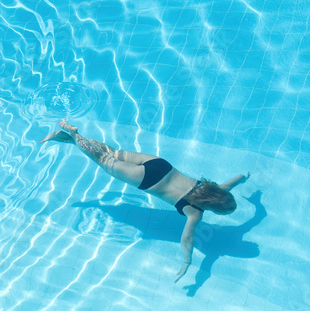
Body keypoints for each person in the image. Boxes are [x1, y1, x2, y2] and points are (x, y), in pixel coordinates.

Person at [40, 119, 250, 281]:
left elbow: (235, 180)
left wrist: (245, 178)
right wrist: (187, 262)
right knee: (104, 160)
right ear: (214, 209)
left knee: (111, 153)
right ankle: (74, 133)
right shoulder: (195, 212)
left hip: (160, 165)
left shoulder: (213, 188)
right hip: (147, 181)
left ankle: (69, 138)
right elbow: (187, 240)